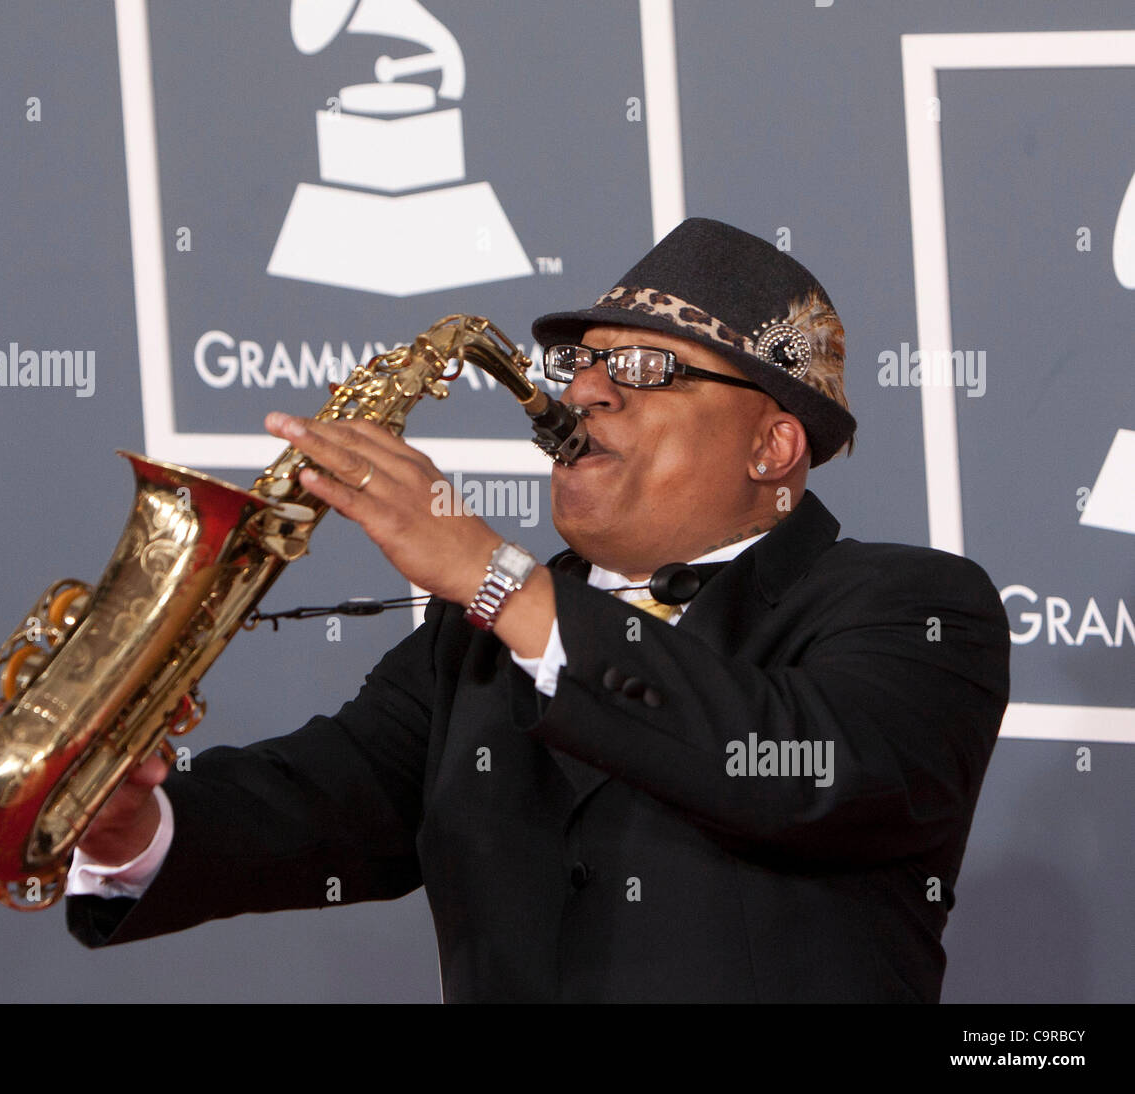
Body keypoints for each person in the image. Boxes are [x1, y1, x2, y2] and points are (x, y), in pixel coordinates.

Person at [65, 218, 1011, 1002]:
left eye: (644, 368)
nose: (584, 389)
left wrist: (498, 579)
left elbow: (798, 773)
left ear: (772, 445)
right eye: (582, 364)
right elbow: (320, 805)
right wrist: (130, 830)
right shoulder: (477, 636)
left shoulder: (917, 606)